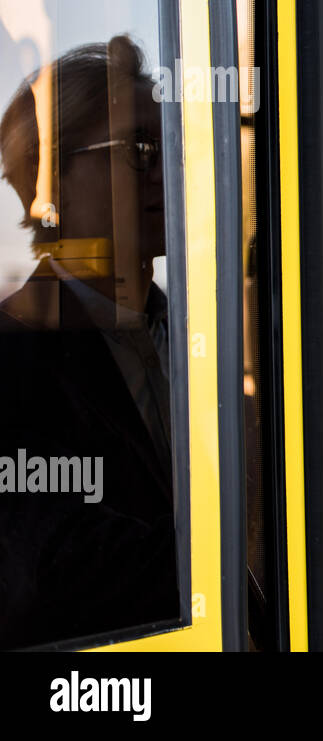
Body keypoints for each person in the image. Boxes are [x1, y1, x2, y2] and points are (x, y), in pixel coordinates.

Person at [0, 35, 179, 649]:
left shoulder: (190, 335)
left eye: (170, 146)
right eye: (139, 150)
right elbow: (52, 572)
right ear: (51, 183)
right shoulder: (14, 355)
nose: (168, 170)